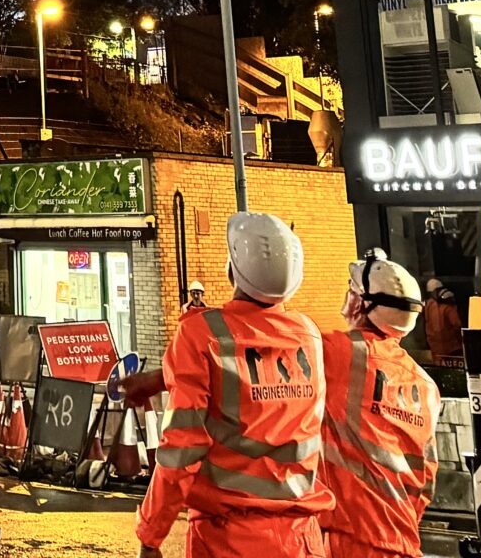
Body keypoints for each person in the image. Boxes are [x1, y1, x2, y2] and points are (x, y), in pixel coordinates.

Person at [136, 212, 333, 558]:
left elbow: (182, 449)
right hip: (302, 540)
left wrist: (151, 534)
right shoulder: (309, 335)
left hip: (228, 540)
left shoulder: (200, 334)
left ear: (232, 270)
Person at [320, 251, 438, 558]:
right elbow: (426, 479)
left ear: (360, 304)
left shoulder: (338, 353)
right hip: (403, 541)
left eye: (351, 288)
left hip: (351, 541)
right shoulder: (425, 385)